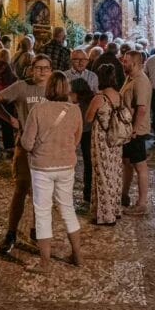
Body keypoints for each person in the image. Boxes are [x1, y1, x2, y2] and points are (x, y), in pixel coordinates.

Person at [21, 72, 84, 273]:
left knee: (42, 212)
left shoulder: (38, 110)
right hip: (66, 165)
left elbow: (27, 143)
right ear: (67, 88)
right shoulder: (75, 111)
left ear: (48, 88)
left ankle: (45, 263)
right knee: (67, 208)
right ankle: (77, 255)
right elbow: (77, 138)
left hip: (42, 167)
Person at [0, 53, 51, 254]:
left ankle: (36, 230)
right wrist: (10, 120)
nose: (41, 71)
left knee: (41, 193)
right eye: (38, 67)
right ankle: (11, 232)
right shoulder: (22, 87)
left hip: (46, 148)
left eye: (45, 68)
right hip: (25, 146)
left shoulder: (54, 88)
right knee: (21, 189)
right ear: (31, 69)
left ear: (50, 70)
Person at [85, 63, 123, 225]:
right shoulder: (118, 95)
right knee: (114, 173)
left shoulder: (99, 98)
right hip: (116, 139)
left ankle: (106, 216)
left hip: (101, 139)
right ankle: (114, 209)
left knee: (101, 174)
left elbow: (88, 117)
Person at [120, 50, 152, 215]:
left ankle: (142, 203)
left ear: (135, 63)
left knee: (140, 165)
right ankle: (124, 195)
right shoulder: (130, 78)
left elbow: (141, 108)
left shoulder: (141, 81)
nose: (123, 63)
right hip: (127, 130)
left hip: (136, 131)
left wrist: (133, 129)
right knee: (127, 163)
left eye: (126, 61)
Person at [64, 49, 98, 202]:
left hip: (86, 125)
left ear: (87, 61)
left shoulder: (92, 76)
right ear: (71, 60)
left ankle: (87, 193)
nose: (80, 62)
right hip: (68, 126)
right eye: (77, 59)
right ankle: (64, 192)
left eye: (83, 60)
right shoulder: (65, 76)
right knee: (66, 159)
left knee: (88, 159)